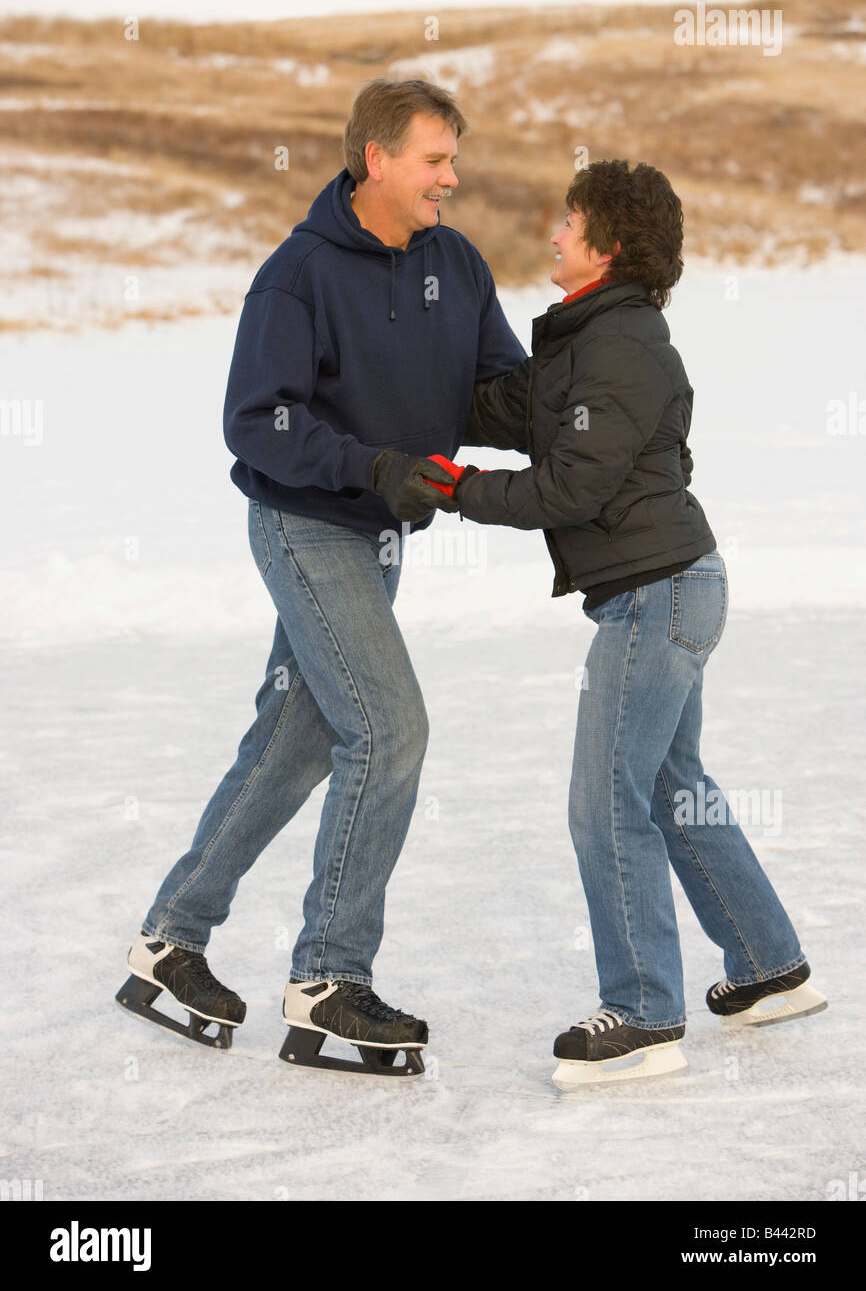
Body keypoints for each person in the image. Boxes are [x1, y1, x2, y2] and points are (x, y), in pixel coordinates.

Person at [116, 78, 525, 1075]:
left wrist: (586, 402)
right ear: (376, 158)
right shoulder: (297, 276)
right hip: (305, 526)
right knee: (386, 730)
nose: (451, 178)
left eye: (453, 159)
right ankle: (329, 981)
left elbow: (494, 388)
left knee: (298, 738)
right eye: (435, 159)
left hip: (377, 537)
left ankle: (170, 944)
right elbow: (259, 418)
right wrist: (370, 463)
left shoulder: (454, 261)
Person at [424, 158, 827, 1087]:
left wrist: (456, 489)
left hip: (659, 593)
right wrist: (408, 374)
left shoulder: (622, 346)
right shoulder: (590, 341)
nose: (554, 233)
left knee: (606, 799)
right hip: (668, 586)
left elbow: (572, 484)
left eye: (570, 221)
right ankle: (768, 966)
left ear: (605, 245)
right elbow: (507, 407)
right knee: (668, 786)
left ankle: (645, 1013)